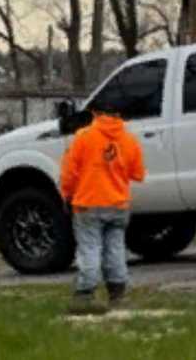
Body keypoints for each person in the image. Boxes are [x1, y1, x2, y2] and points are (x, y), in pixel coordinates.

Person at [60, 109, 146, 314]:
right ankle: (117, 293)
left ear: (97, 115)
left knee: (90, 249)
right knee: (115, 249)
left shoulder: (84, 137)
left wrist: (67, 194)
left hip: (88, 204)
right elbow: (138, 174)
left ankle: (85, 294)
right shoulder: (129, 140)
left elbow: (69, 173)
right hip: (118, 205)